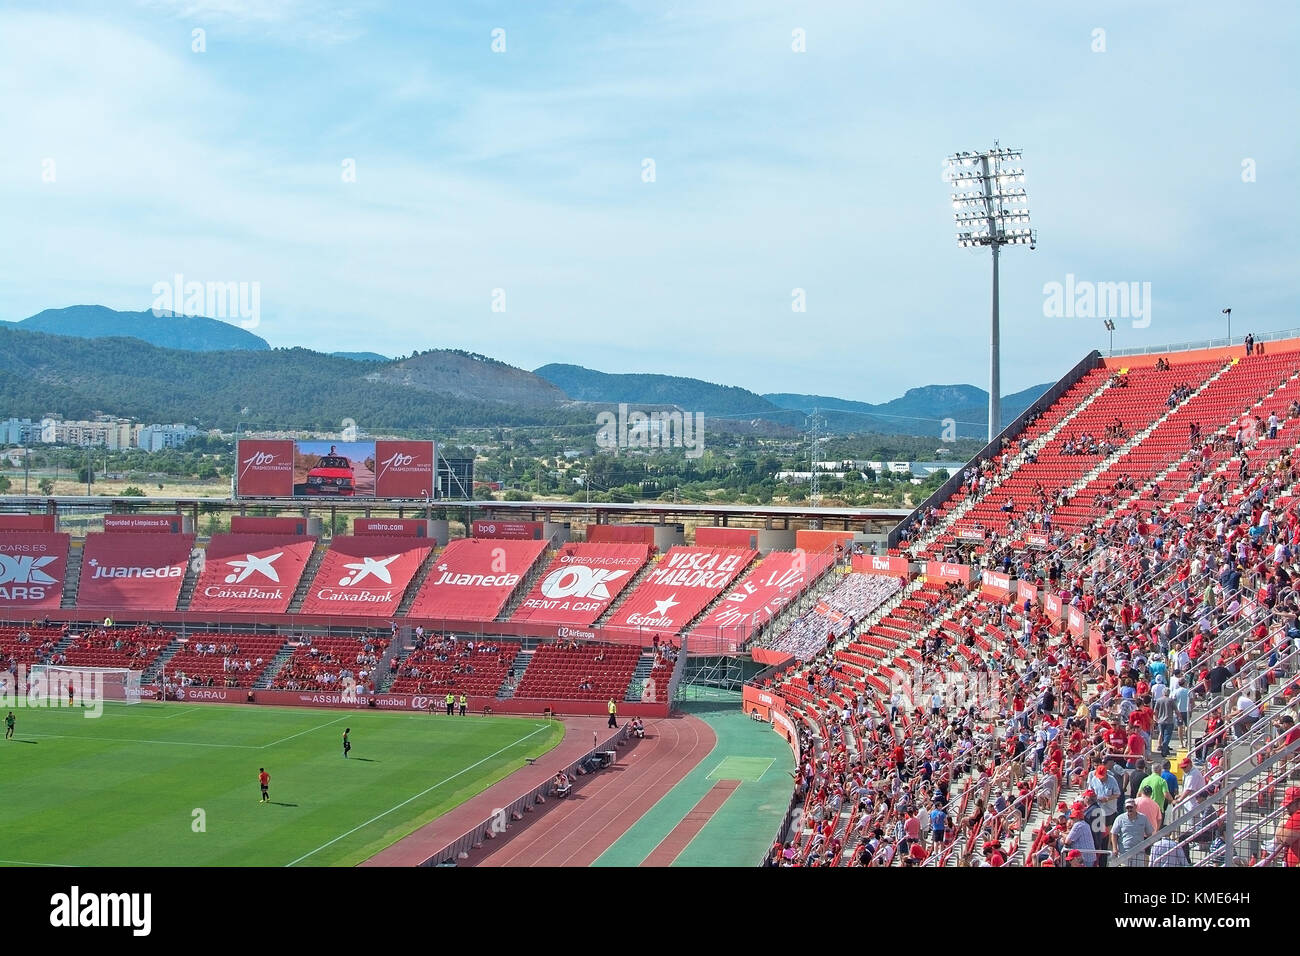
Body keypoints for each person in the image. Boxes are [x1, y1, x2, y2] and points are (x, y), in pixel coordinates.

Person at [1111, 798, 1154, 866]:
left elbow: (1149, 833)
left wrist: (1147, 847)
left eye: (1131, 807)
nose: (1129, 809)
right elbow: (1114, 834)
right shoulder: (1120, 818)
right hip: (1124, 853)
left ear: (1135, 806)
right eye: (1127, 807)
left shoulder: (1143, 818)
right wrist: (1114, 848)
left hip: (1139, 853)